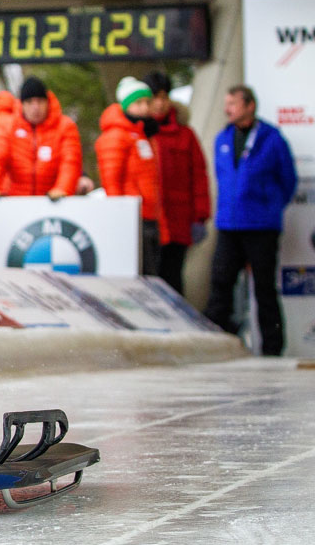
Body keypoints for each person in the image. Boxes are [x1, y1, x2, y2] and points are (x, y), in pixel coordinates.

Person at [204, 86, 296, 356]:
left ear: (249, 106)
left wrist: (270, 207)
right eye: (226, 102)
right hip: (229, 224)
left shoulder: (272, 138)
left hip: (261, 226)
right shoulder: (223, 138)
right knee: (221, 282)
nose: (227, 108)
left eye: (233, 103)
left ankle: (273, 348)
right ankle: (217, 344)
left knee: (265, 287)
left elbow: (287, 180)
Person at [94, 76, 169, 275]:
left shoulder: (145, 134)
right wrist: (119, 214)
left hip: (149, 214)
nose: (144, 107)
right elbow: (112, 178)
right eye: (138, 103)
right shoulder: (117, 135)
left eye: (147, 102)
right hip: (131, 215)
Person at [145, 71, 211, 295]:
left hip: (178, 221)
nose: (160, 104)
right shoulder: (138, 134)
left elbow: (199, 175)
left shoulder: (185, 135)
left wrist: (200, 216)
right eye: (155, 98)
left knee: (173, 278)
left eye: (164, 97)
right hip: (150, 222)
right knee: (150, 278)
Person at [0, 76, 82, 200]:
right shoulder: (8, 126)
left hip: (52, 202)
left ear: (47, 102)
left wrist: (63, 189)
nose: (35, 107)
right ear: (22, 104)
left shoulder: (65, 127)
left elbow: (70, 163)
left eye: (40, 101)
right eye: (30, 102)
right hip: (17, 201)